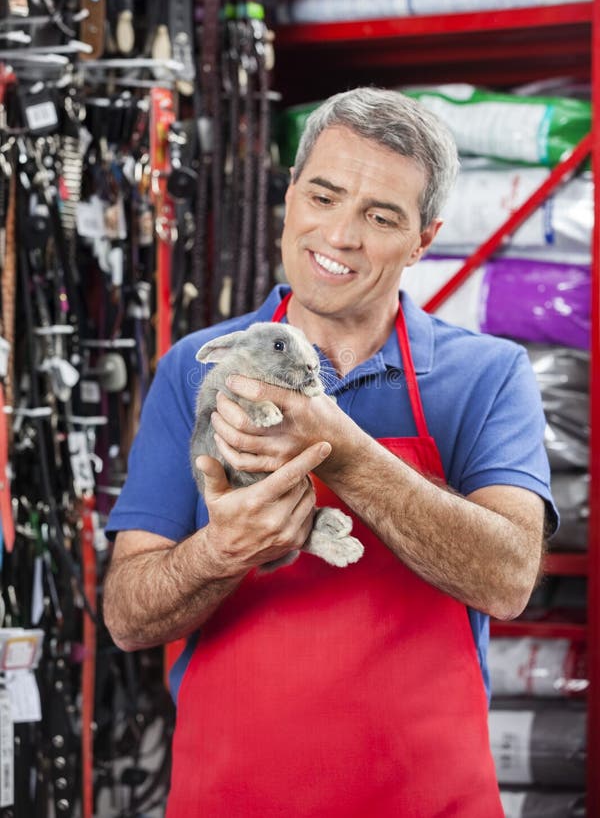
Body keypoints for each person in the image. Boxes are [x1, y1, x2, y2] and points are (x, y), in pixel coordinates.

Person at [103, 87, 557, 817]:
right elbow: (127, 616)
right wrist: (220, 552)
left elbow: (508, 579)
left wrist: (343, 452)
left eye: (381, 217)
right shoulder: (195, 368)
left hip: (429, 802)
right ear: (290, 198)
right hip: (231, 800)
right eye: (324, 196)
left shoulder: (486, 376)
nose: (340, 235)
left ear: (423, 239)